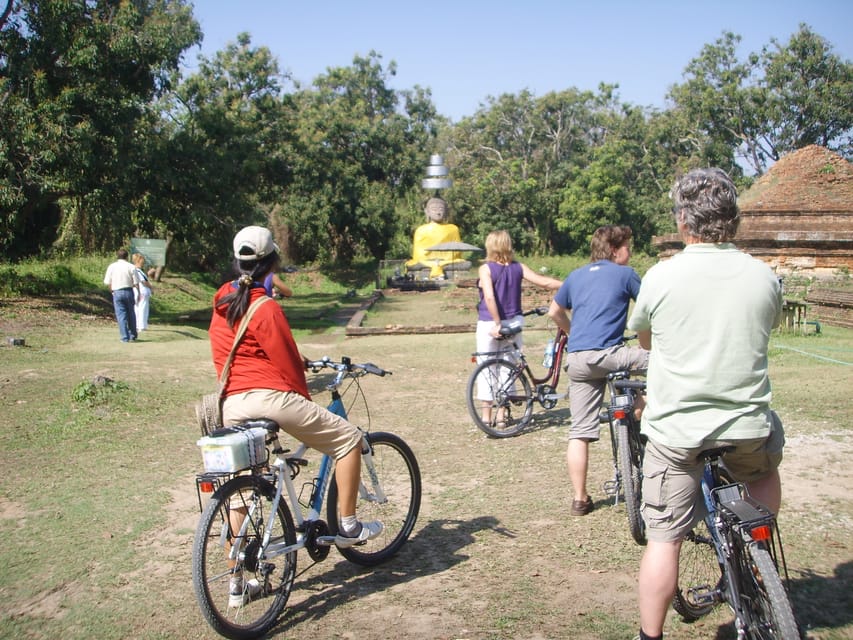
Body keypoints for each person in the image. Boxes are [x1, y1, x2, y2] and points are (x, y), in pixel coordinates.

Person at [627, 168, 784, 640]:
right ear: (732, 220)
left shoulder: (661, 276)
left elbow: (646, 339)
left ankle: (649, 636)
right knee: (764, 469)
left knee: (664, 539)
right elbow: (765, 329)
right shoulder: (763, 276)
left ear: (682, 220)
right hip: (745, 426)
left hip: (677, 432)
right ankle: (756, 542)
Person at [209, 226, 383, 556]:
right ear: (272, 261)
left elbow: (235, 350)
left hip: (232, 402)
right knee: (348, 440)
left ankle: (238, 579)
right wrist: (303, 398)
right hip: (271, 398)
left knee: (241, 490)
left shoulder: (223, 302)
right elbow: (286, 362)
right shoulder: (265, 306)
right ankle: (349, 525)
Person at [547, 225, 649, 516]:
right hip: (612, 354)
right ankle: (641, 408)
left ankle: (580, 499)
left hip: (579, 359)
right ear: (615, 250)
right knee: (664, 364)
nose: (630, 253)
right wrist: (646, 348)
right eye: (627, 247)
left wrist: (573, 331)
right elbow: (645, 312)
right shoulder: (626, 274)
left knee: (579, 431)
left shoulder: (576, 275)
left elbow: (554, 311)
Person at [474, 230, 562, 425]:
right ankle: (502, 416)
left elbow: (489, 296)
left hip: (490, 322)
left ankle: (486, 417)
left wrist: (497, 322)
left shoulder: (486, 269)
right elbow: (545, 282)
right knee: (509, 367)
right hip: (514, 322)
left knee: (486, 368)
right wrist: (569, 284)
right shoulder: (519, 267)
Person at [405, 197, 471, 279]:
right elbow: (418, 253)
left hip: (448, 261)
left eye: (441, 209)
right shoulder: (421, 230)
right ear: (427, 212)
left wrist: (444, 258)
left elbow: (457, 250)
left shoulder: (453, 228)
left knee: (465, 264)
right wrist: (434, 259)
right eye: (434, 209)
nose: (438, 212)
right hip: (426, 262)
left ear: (446, 212)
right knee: (414, 265)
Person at [103, 249, 139, 342]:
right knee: (131, 313)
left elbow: (108, 282)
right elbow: (136, 282)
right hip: (128, 291)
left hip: (117, 291)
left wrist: (112, 291)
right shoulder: (131, 266)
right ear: (127, 257)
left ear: (117, 256)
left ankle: (124, 337)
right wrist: (138, 293)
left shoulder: (112, 266)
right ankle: (133, 335)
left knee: (121, 315)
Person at [132, 253, 153, 331]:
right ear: (138, 260)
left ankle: (139, 325)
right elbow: (143, 281)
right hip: (141, 292)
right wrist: (151, 287)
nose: (143, 262)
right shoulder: (136, 270)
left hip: (143, 292)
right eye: (142, 260)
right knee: (142, 309)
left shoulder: (140, 271)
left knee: (140, 308)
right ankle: (141, 326)